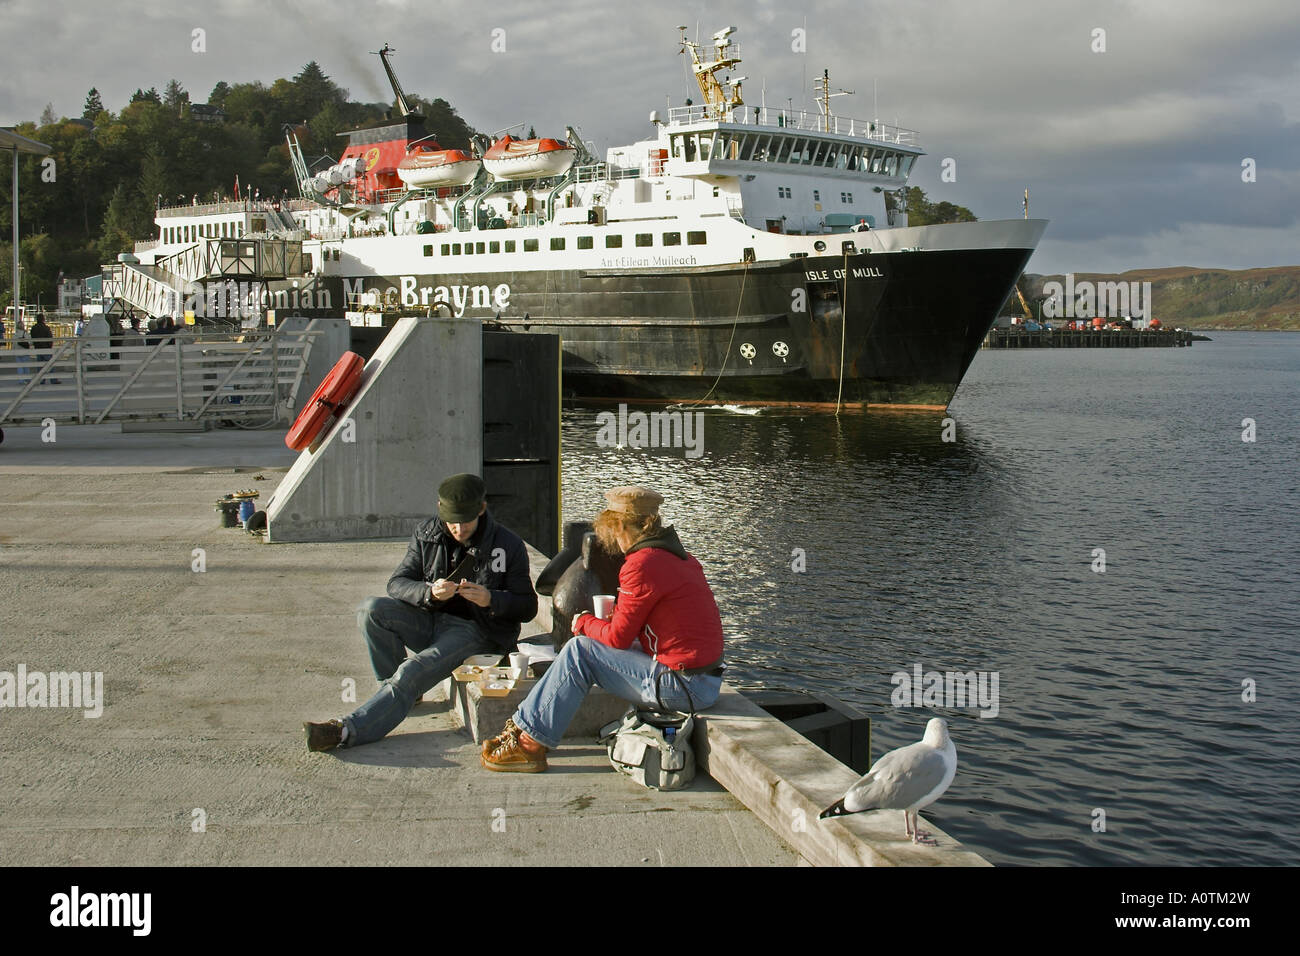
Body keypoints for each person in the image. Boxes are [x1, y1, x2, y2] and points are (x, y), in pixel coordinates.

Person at [481, 486, 725, 773]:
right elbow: (635, 630)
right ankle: (524, 728)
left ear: (620, 525)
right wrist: (605, 624)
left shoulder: (642, 564)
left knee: (579, 652)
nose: (611, 540)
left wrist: (584, 622)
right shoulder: (678, 557)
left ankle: (529, 743)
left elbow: (618, 639)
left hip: (685, 687)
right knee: (587, 648)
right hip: (700, 679)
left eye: (611, 530)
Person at [305, 473, 538, 752]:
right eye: (452, 522)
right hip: (430, 618)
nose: (459, 529)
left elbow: (527, 606)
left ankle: (346, 730)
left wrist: (491, 599)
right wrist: (428, 592)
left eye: (465, 522)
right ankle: (394, 691)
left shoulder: (508, 544)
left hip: (477, 632)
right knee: (371, 610)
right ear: (440, 510)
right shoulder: (426, 533)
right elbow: (397, 583)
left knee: (412, 671)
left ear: (482, 510)